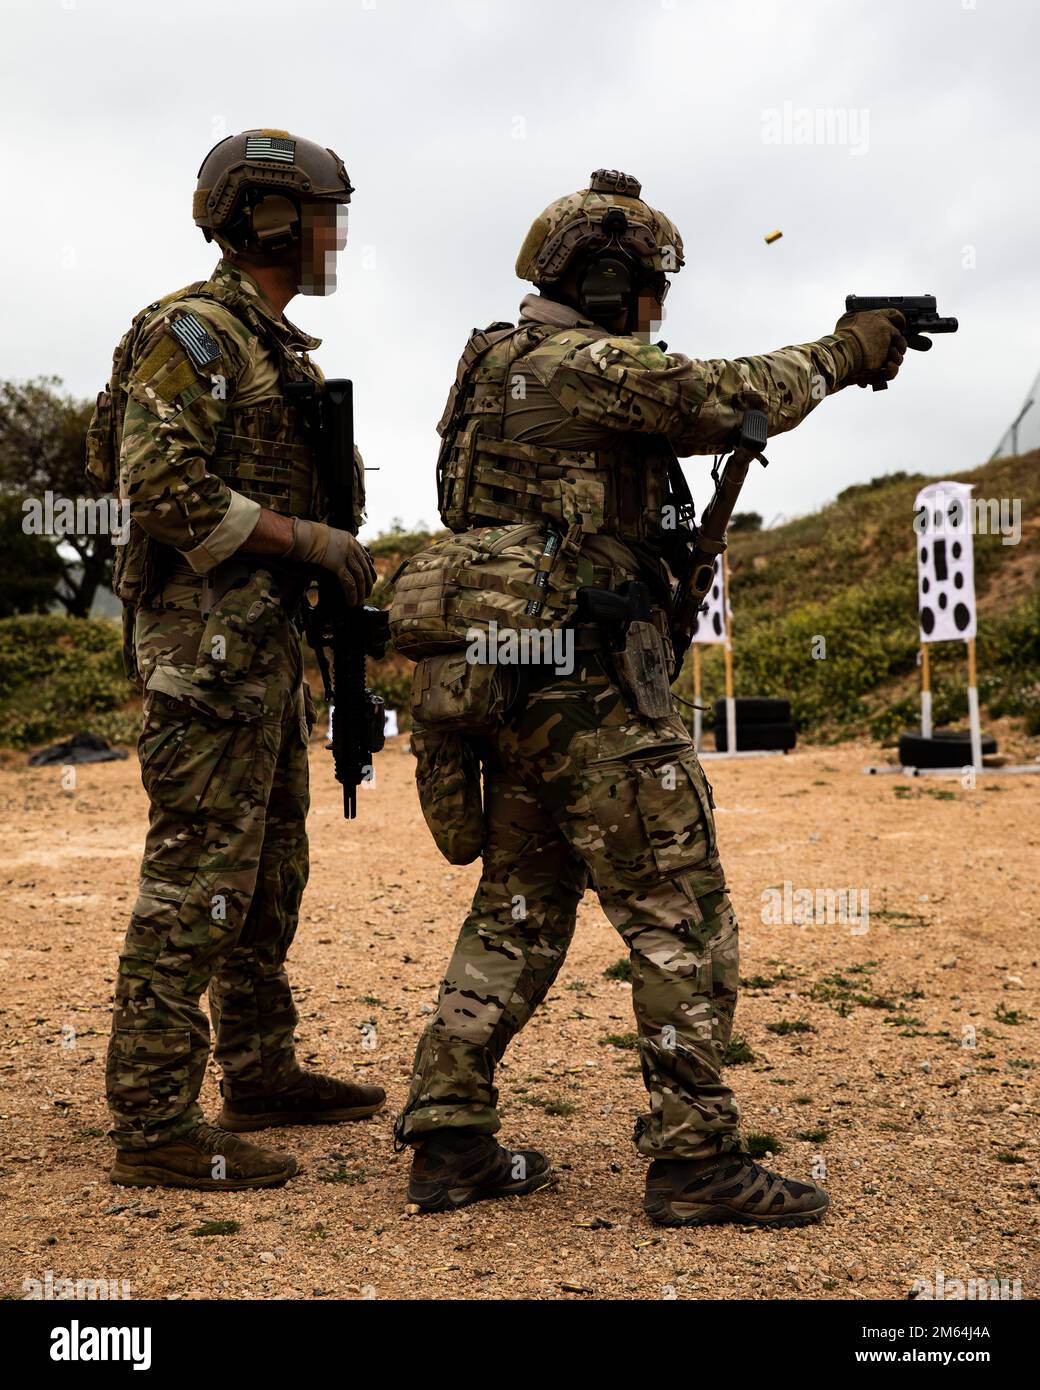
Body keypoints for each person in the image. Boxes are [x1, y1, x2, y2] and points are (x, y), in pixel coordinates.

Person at [391, 168, 909, 1225]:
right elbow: (734, 396)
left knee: (519, 907)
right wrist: (851, 348)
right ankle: (692, 1158)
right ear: (607, 278)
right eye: (649, 288)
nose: (657, 311)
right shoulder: (581, 364)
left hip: (509, 679)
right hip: (587, 687)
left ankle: (448, 1135)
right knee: (682, 915)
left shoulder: (490, 360)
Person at [90, 129, 383, 1191]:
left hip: (261, 661)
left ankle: (259, 1070)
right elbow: (160, 489)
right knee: (195, 881)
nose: (333, 235)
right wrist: (308, 541)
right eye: (319, 214)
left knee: (265, 877)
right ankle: (154, 1121)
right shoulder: (196, 335)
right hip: (205, 663)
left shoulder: (270, 349)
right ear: (267, 219)